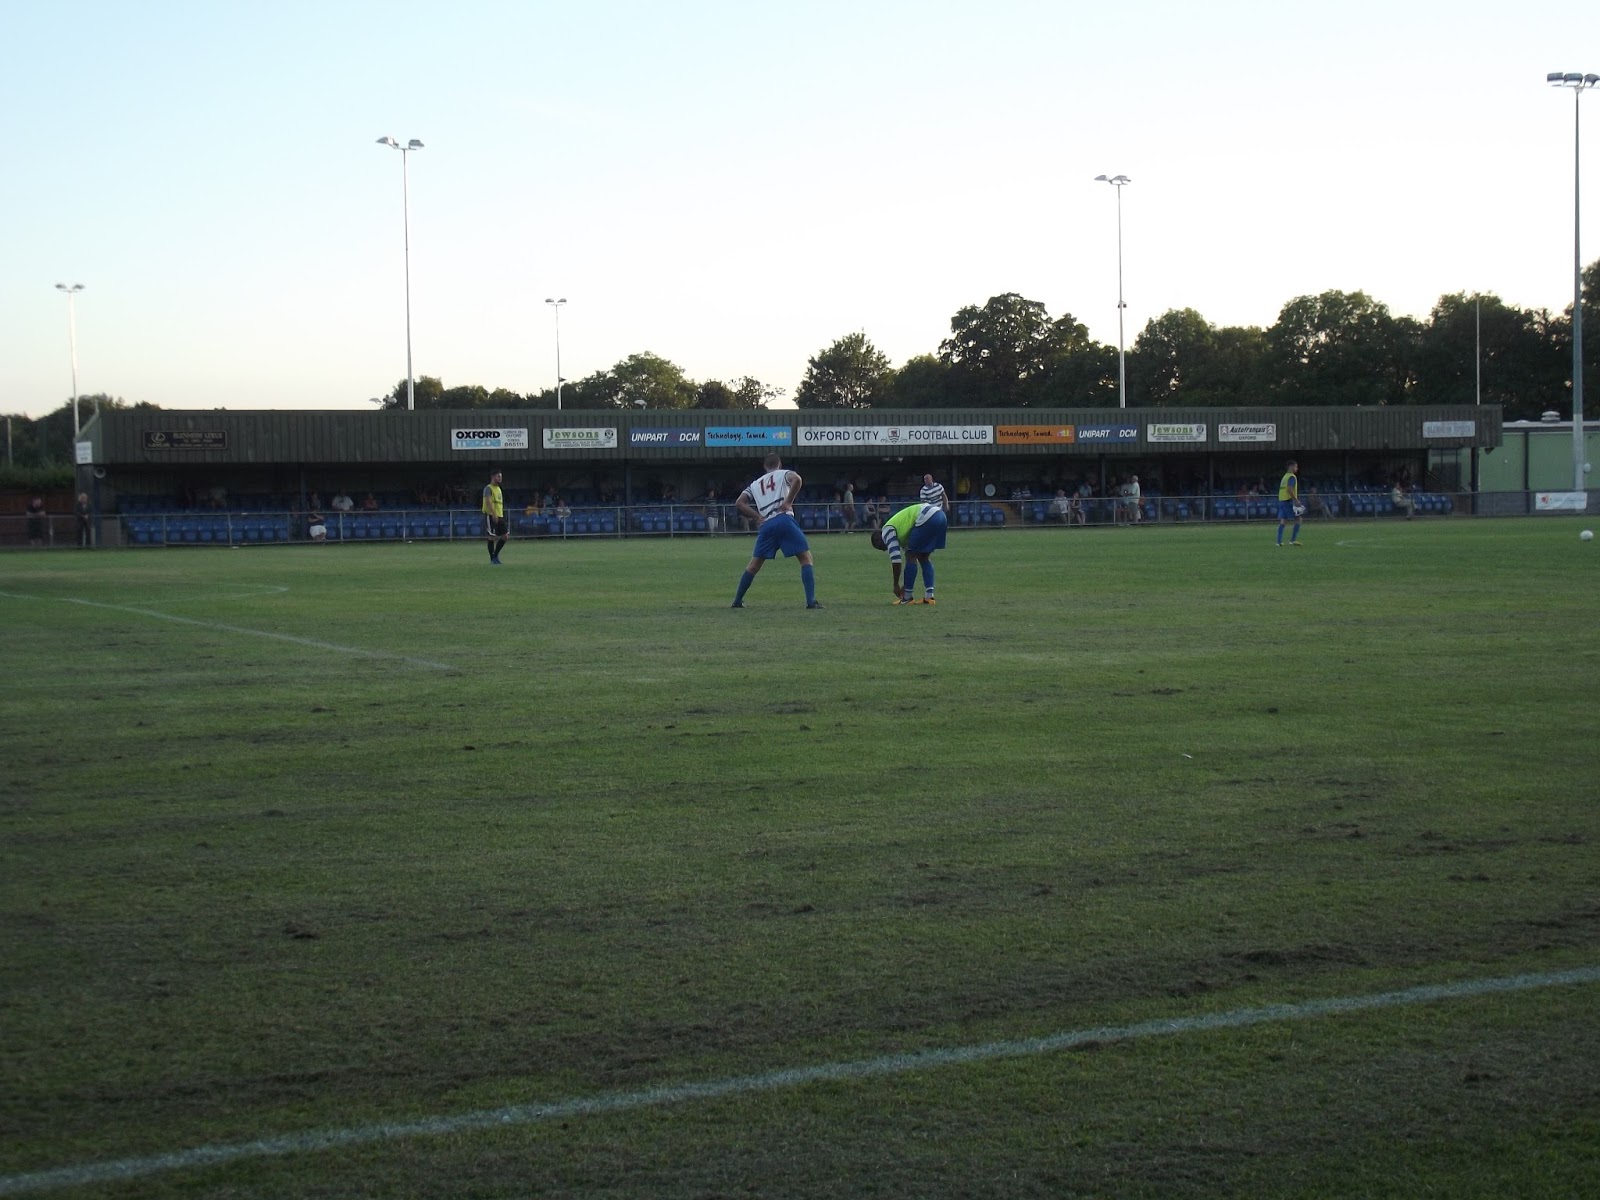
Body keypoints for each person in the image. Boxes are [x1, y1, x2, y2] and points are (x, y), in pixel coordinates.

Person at [731, 453, 821, 609]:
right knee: (805, 558)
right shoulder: (784, 474)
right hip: (784, 519)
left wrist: (757, 516)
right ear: (779, 464)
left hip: (767, 524)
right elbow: (797, 480)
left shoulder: (755, 484)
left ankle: (737, 600)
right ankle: (811, 601)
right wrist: (788, 502)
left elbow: (739, 503)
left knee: (754, 565)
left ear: (765, 467)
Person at [871, 501, 949, 605]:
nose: (884, 550)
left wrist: (896, 585)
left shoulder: (887, 531)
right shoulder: (902, 534)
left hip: (927, 517)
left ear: (878, 540)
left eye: (880, 548)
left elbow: (896, 560)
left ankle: (907, 598)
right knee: (923, 557)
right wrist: (907, 583)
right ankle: (929, 597)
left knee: (911, 556)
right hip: (940, 515)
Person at [482, 469, 508, 564]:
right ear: (493, 477)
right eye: (498, 476)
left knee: (505, 536)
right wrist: (493, 514)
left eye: (501, 476)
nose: (500, 478)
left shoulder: (499, 489)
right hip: (491, 515)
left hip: (500, 515)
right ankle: (492, 559)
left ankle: (495, 555)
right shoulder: (488, 488)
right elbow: (488, 502)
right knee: (491, 537)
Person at [1277, 459, 1303, 547]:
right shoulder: (1292, 477)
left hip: (1281, 501)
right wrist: (1295, 500)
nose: (1297, 468)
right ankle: (1293, 540)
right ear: (1291, 467)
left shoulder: (1284, 477)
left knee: (1283, 521)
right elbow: (1289, 489)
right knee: (1299, 519)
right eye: (1296, 466)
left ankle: (1279, 542)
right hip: (1287, 501)